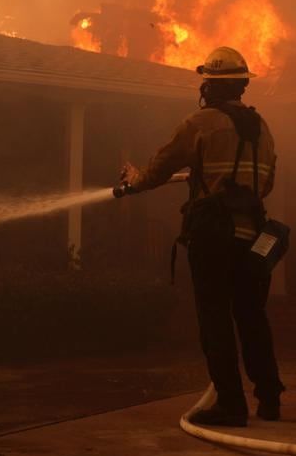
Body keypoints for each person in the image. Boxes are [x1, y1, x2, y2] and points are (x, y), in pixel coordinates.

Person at [116, 46, 284, 427]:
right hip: (253, 236)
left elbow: (159, 169)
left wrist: (135, 181)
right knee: (252, 316)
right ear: (242, 86)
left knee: (215, 318)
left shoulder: (201, 123)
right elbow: (267, 183)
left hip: (214, 236)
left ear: (211, 85)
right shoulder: (263, 129)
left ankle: (231, 404)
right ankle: (270, 398)